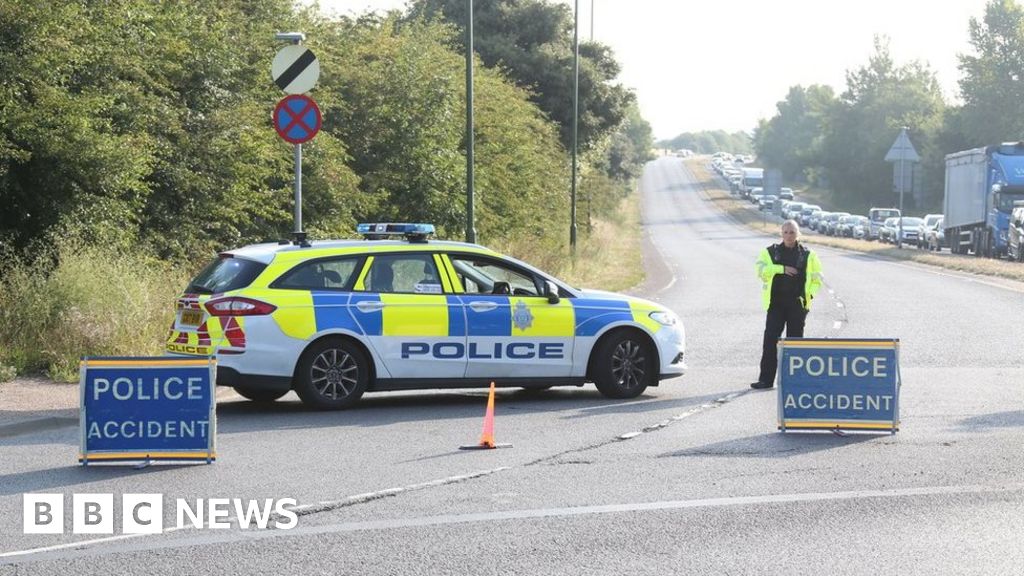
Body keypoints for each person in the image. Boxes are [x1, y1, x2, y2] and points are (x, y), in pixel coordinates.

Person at [752, 220, 823, 389]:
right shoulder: (770, 252)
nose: (789, 235)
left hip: (797, 305)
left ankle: (795, 381)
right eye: (786, 232)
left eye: (792, 232)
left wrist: (809, 296)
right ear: (781, 234)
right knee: (770, 341)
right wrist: (781, 269)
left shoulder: (808, 255)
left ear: (798, 234)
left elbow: (817, 278)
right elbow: (760, 272)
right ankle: (766, 380)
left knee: (795, 343)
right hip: (775, 304)